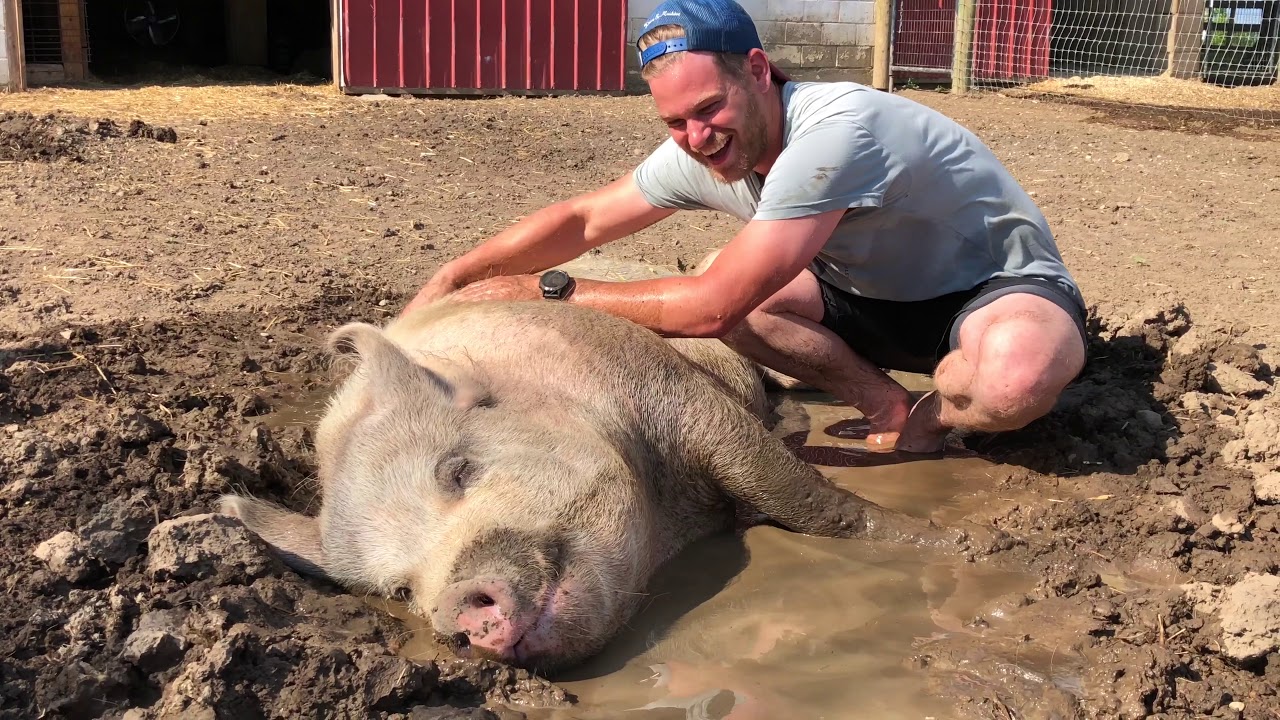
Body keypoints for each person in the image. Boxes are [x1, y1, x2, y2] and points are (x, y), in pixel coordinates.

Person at [400, 0, 1088, 455]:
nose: (697, 138)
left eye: (708, 109)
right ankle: (887, 406)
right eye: (675, 122)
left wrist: (539, 292)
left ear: (757, 70)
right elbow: (583, 220)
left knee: (1013, 380)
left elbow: (707, 309)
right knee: (722, 285)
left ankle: (933, 421)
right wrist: (461, 274)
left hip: (990, 289)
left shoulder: (838, 130)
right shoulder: (707, 149)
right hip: (862, 296)